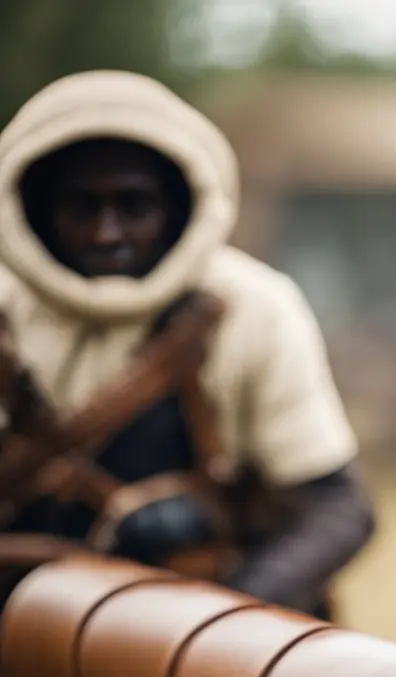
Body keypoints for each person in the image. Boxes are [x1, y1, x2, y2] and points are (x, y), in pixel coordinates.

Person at [0, 71, 376, 619]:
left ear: (177, 207)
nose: (107, 234)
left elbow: (339, 509)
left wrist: (229, 622)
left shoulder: (253, 306)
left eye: (134, 206)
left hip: (195, 632)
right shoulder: (6, 309)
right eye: (82, 207)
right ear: (37, 210)